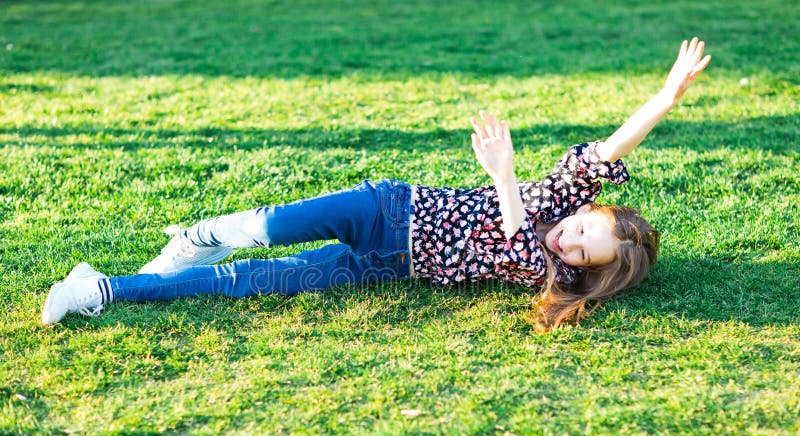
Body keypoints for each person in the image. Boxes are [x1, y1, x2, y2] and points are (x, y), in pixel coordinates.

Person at [42, 38, 711, 330]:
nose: (569, 241)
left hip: (386, 266)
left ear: (585, 272)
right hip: (387, 211)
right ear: (588, 207)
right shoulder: (564, 197)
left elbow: (513, 238)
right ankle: (195, 236)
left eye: (583, 253)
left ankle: (98, 289)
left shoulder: (551, 273)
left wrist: (504, 174)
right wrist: (665, 98)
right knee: (264, 227)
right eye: (584, 228)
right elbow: (612, 145)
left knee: (242, 282)